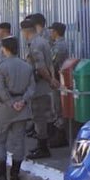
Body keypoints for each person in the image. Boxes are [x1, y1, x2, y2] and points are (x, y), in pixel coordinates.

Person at [0, 37, 34, 180]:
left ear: (5, 49)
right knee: (19, 140)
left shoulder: (1, 66)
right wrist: (23, 101)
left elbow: (0, 89)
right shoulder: (26, 66)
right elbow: (32, 88)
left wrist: (10, 103)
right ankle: (15, 173)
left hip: (5, 108)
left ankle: (1, 175)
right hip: (22, 106)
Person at [21, 18, 56, 160]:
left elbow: (40, 67)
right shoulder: (43, 41)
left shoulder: (35, 44)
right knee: (44, 115)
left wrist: (50, 79)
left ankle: (43, 147)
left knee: (39, 116)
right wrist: (52, 78)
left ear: (25, 31)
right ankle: (42, 145)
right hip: (44, 84)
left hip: (39, 86)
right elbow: (50, 64)